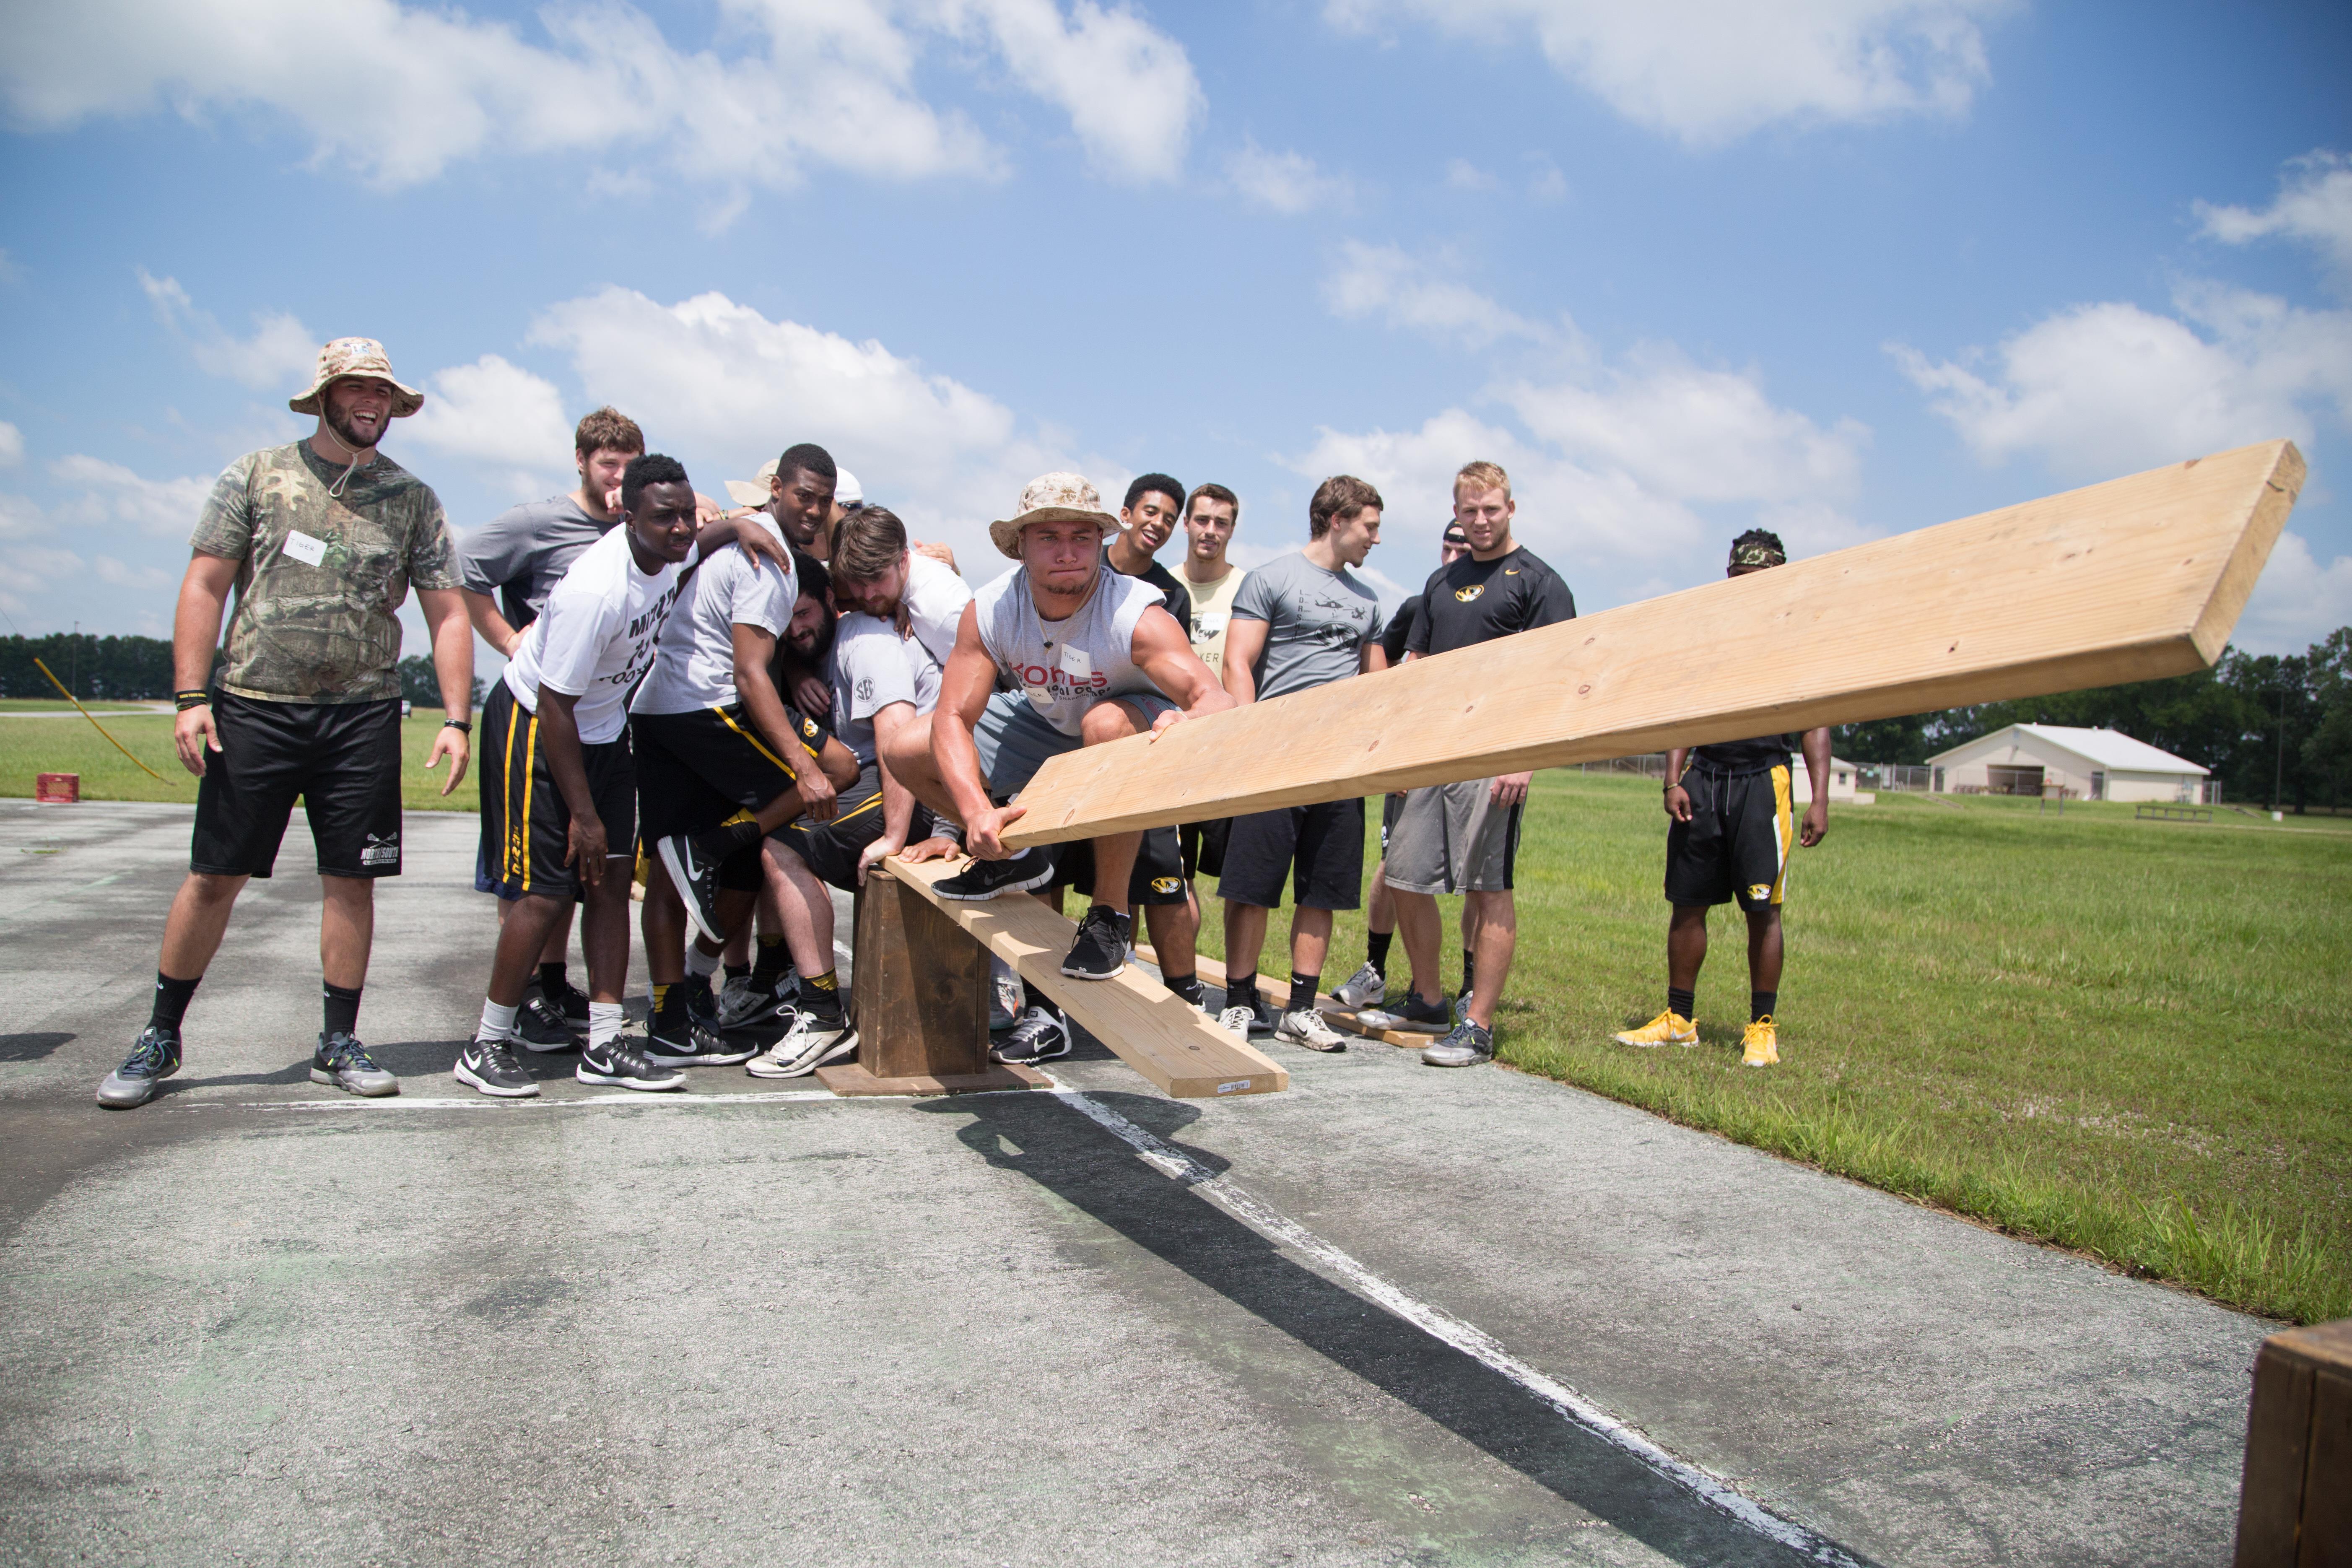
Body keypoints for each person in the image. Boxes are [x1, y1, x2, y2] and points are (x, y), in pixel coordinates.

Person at [99, 337, 473, 1109]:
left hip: (363, 716)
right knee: (214, 877)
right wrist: (190, 697)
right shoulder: (257, 475)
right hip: (255, 709)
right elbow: (205, 584)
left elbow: (448, 616)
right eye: (357, 389)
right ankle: (160, 1036)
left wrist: (457, 719)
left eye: (384, 393)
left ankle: (338, 1042)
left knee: (353, 880)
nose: (372, 403)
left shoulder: (414, 500)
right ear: (325, 396)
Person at [456, 454, 788, 1098]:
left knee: (610, 882)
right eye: (663, 517)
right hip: (538, 724)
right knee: (546, 892)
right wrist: (583, 816)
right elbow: (555, 705)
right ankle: (487, 1042)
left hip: (604, 729)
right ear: (625, 515)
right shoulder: (594, 590)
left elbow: (701, 538)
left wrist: (739, 527)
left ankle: (605, 1043)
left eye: (686, 515)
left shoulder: (671, 551)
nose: (680, 528)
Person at [881, 472, 1233, 1063]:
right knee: (904, 745)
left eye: (1081, 536)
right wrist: (974, 814)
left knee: (1103, 726)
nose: (1067, 551)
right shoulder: (992, 608)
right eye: (1048, 537)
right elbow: (950, 718)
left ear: (1102, 541)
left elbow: (1214, 697)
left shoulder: (1134, 612)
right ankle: (1012, 858)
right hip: (1046, 723)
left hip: (1129, 727)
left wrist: (1188, 723)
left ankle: (1109, 915)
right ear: (1020, 546)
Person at [628, 498, 862, 1083]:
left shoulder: (803, 577)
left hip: (665, 709)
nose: (800, 629)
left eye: (810, 617)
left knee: (716, 865)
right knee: (836, 770)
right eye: (794, 619)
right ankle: (709, 864)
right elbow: (751, 669)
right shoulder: (764, 566)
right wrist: (804, 768)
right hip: (717, 709)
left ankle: (677, 1007)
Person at [457, 405, 645, 1049]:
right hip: (541, 706)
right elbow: (466, 567)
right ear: (582, 462)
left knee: (592, 871)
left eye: (630, 466)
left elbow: (697, 516)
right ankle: (520, 1004)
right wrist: (508, 640)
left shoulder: (646, 529)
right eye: (607, 465)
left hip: (600, 715)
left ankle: (562, 993)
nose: (619, 479)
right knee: (537, 879)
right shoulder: (543, 524)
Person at [1614, 530, 1829, 1068]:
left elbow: (1816, 726)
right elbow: (1682, 710)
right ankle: (1679, 1020)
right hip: (1705, 778)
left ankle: (1762, 1026)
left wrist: (1820, 798)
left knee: (1764, 910)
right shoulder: (1708, 637)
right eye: (1739, 579)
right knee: (1687, 904)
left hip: (1764, 781)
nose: (1747, 588)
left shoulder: (1798, 640)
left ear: (1779, 576)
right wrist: (1672, 778)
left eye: (1759, 580)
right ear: (1729, 578)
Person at [1390, 460, 1577, 1069]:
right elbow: (1414, 667)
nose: (1479, 521)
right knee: (1404, 877)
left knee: (1488, 887)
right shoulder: (1441, 583)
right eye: (1468, 511)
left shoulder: (1538, 582)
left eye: (1490, 510)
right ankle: (1427, 1000)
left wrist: (1523, 758)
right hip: (1430, 753)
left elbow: (1558, 680)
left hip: (1496, 756)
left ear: (1510, 508)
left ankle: (1479, 1025)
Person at [1213, 476, 1386, 1053]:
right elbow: (1237, 661)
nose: (1376, 539)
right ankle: (1239, 1000)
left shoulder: (1367, 601)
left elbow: (1377, 683)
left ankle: (1302, 1010)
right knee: (1251, 887)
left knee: (1322, 891)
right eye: (1370, 525)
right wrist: (1247, 737)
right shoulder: (1272, 579)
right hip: (1273, 759)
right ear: (1336, 520)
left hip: (1336, 766)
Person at [1333, 521, 1469, 1012]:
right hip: (1414, 763)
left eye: (1464, 543)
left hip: (1477, 757)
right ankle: (1376, 971)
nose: (1455, 551)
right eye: (1448, 541)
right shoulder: (1422, 603)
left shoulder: (1509, 594)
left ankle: (1468, 986)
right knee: (1395, 866)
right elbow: (1381, 673)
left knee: (1481, 881)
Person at [1095, 472, 1202, 1006]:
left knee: (1164, 876)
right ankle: (1044, 1005)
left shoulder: (1170, 594)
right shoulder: (1082, 567)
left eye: (1168, 517)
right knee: (1050, 865)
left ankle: (1186, 997)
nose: (1157, 523)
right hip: (1071, 731)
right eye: (1150, 511)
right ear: (1125, 512)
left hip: (1137, 732)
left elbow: (1173, 678)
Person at [1175, 482, 1246, 942]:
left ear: (1233, 529)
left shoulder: (1248, 588)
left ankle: (1239, 986)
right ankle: (1175, 976)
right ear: (1186, 523)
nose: (1210, 531)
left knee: (1238, 879)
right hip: (1170, 741)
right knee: (1171, 874)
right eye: (1202, 519)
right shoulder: (1160, 584)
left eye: (1221, 523)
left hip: (1227, 746)